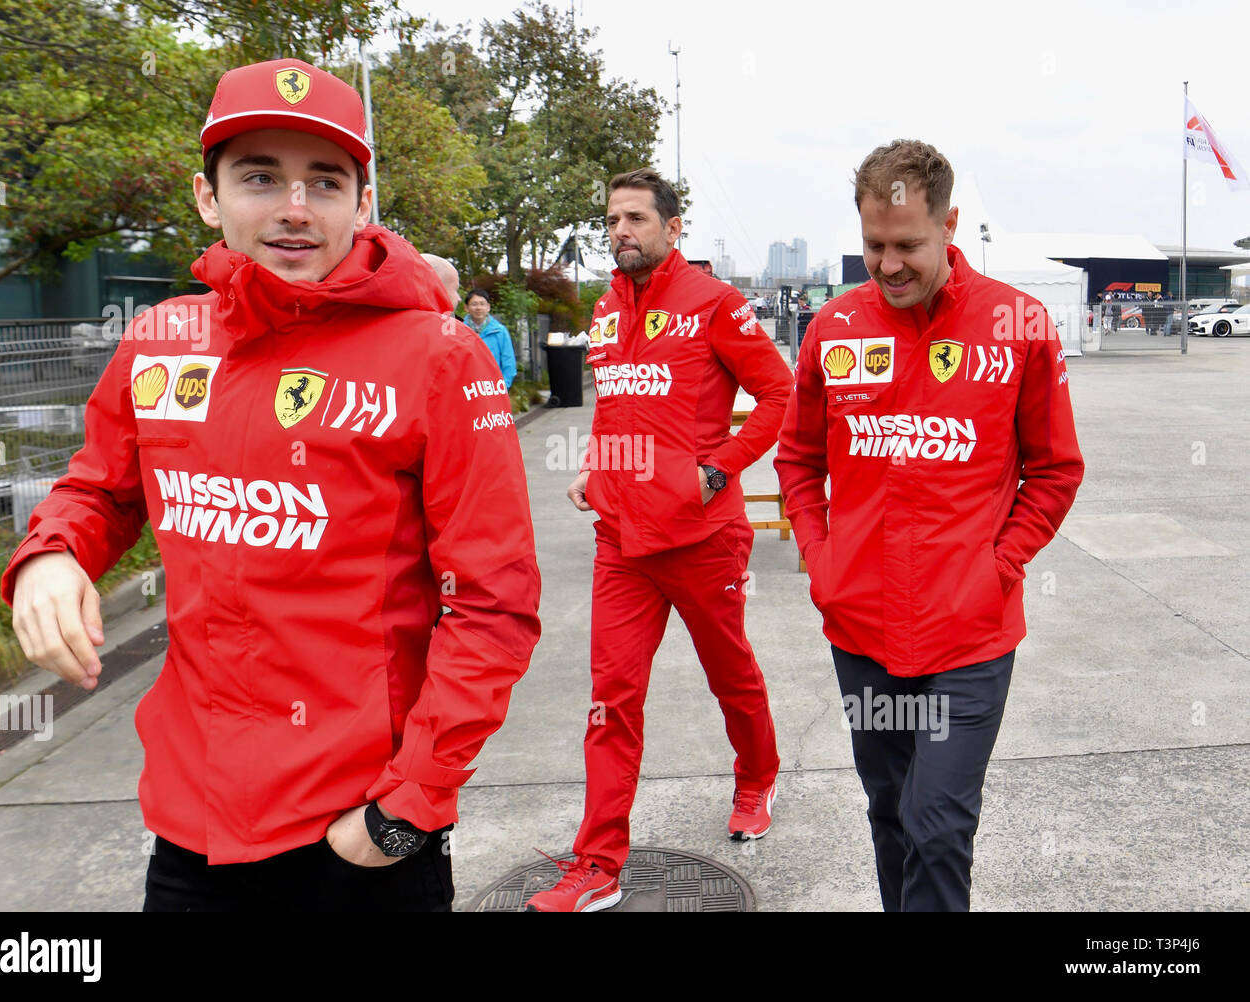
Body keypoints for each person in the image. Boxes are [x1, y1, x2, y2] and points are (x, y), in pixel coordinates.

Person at [3, 57, 542, 912]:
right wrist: (52, 553)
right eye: (261, 177)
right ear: (208, 196)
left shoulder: (440, 356)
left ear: (362, 205)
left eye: (324, 182)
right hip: (192, 827)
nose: (295, 207)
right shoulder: (159, 340)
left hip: (357, 835)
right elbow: (100, 490)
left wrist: (409, 808)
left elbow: (493, 604)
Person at [775, 139, 1084, 912]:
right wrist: (822, 561)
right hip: (862, 633)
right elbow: (796, 463)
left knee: (937, 824)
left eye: (907, 244)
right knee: (890, 816)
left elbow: (1054, 470)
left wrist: (999, 565)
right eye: (873, 245)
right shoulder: (834, 329)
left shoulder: (1019, 323)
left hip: (969, 634)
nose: (888, 264)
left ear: (950, 224)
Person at [526, 167, 792, 912]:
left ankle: (756, 777)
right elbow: (620, 412)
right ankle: (598, 865)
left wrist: (720, 470)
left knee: (729, 673)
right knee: (611, 698)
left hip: (702, 539)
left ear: (674, 229)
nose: (622, 231)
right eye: (613, 219)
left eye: (637, 218)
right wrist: (594, 467)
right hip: (620, 542)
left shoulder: (715, 304)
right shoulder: (607, 309)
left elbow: (779, 393)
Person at [463, 289, 517, 389]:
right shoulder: (460, 331)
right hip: (468, 389)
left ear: (488, 307)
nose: (478, 308)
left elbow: (509, 363)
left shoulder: (500, 331)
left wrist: (503, 387)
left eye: (482, 304)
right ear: (466, 308)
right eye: (474, 304)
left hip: (494, 388)